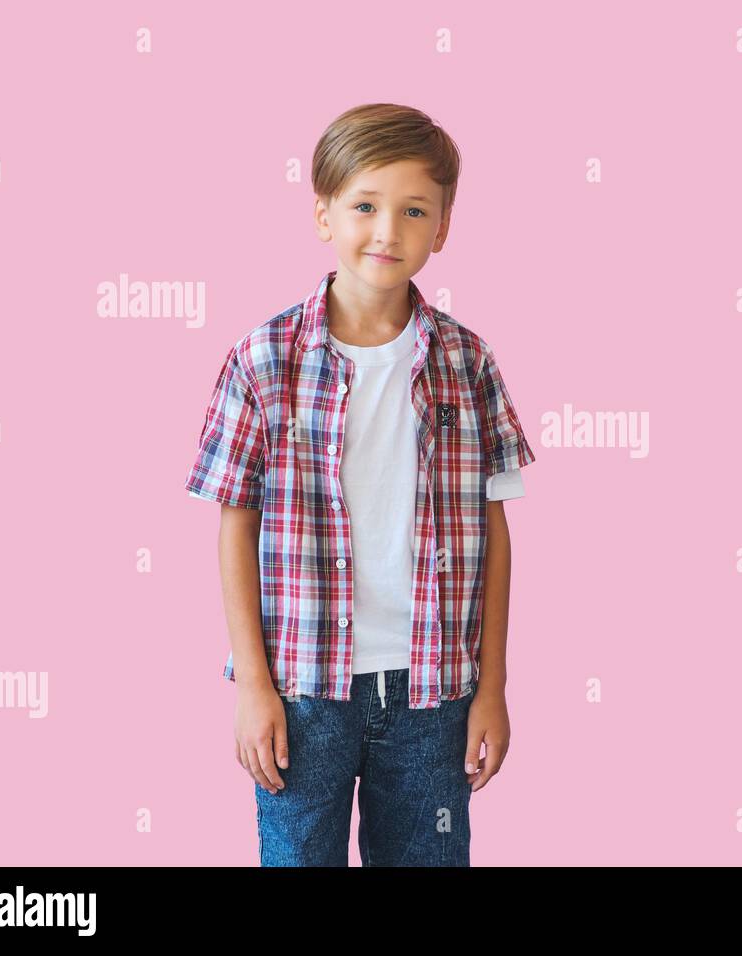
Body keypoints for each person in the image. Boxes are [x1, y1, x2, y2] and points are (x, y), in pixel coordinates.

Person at [183, 103, 536, 866]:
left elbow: (495, 530)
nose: (388, 231)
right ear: (323, 213)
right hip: (303, 689)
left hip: (434, 690)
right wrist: (253, 686)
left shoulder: (468, 364)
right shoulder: (262, 360)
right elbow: (234, 522)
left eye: (414, 211)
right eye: (365, 206)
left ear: (442, 228)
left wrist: (493, 687)